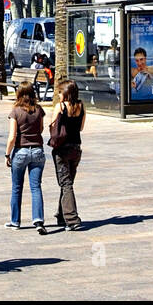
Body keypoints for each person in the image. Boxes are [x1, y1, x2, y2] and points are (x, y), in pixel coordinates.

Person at [5, 81, 46, 232]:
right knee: (36, 187)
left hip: (20, 151)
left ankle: (15, 221)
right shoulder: (38, 110)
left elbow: (12, 136)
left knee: (16, 187)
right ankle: (38, 220)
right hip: (37, 151)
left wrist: (7, 154)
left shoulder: (15, 111)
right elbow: (41, 129)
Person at [50, 81, 85, 231]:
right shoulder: (81, 105)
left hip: (62, 149)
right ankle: (61, 215)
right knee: (67, 182)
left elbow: (52, 125)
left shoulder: (60, 107)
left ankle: (72, 219)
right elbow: (81, 127)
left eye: (60, 92)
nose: (58, 95)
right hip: (76, 148)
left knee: (65, 184)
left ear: (66, 93)